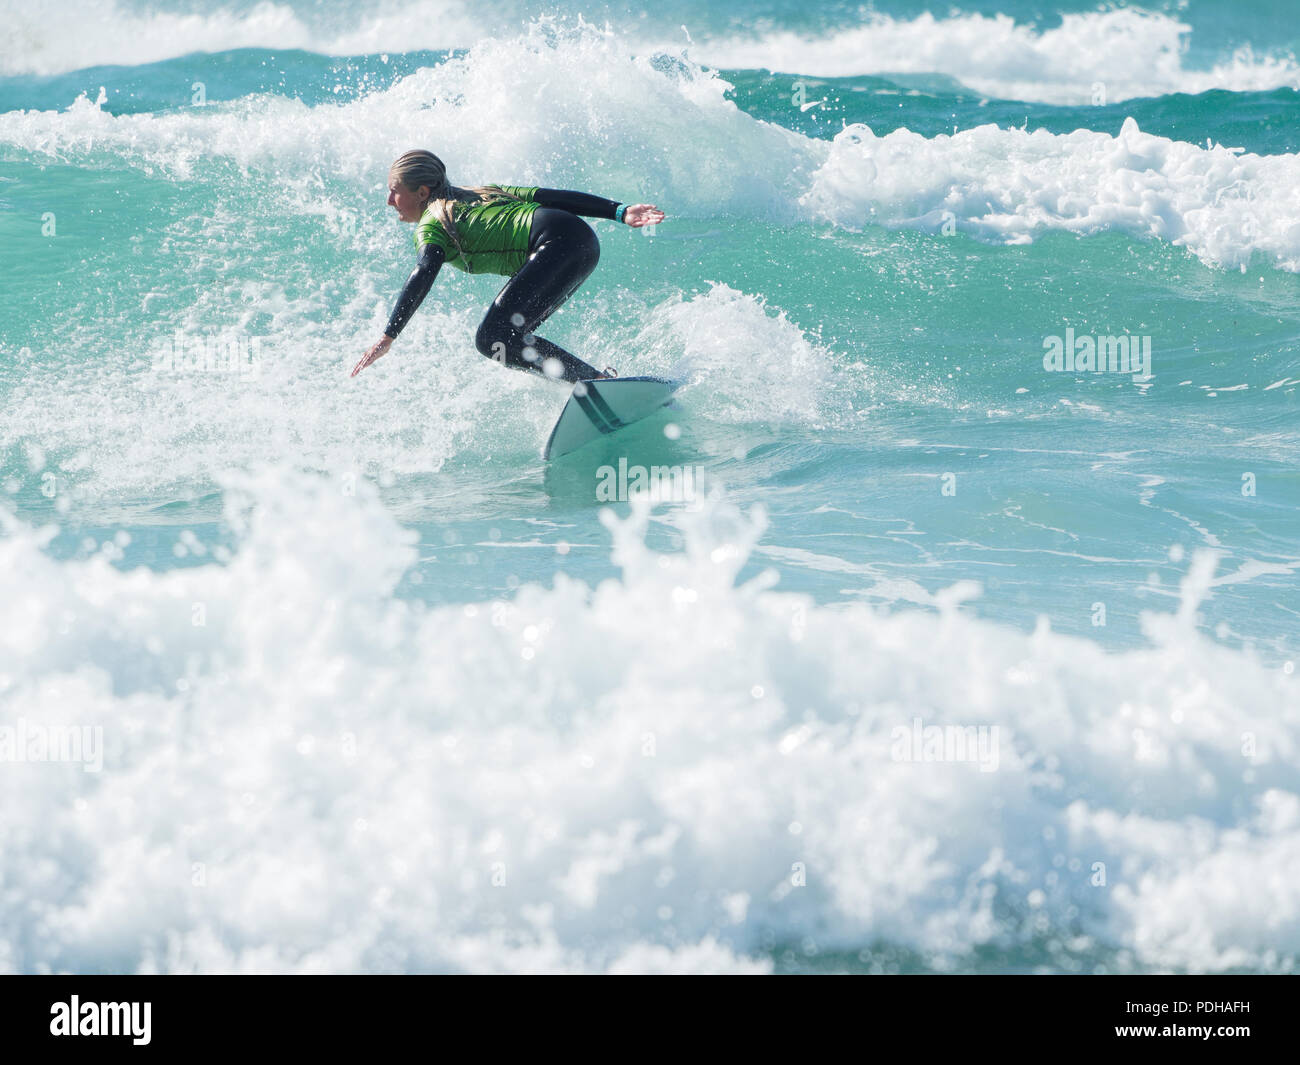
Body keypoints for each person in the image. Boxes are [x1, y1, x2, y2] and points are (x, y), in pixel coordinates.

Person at [351, 149, 665, 381]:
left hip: (556, 244)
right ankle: (593, 383)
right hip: (581, 242)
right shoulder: (483, 194)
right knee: (506, 336)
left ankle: (594, 383)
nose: (389, 199)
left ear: (421, 192)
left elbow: (424, 270)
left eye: (395, 190)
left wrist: (388, 335)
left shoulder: (434, 221)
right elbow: (552, 198)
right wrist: (618, 211)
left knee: (493, 338)